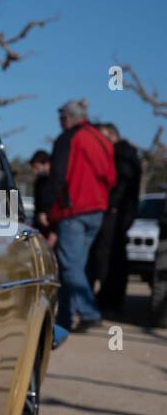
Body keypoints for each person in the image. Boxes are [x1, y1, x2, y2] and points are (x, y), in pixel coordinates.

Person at [40, 99, 115, 331]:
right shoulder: (102, 139)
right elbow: (111, 177)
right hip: (97, 210)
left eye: (61, 118)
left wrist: (46, 207)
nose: (60, 123)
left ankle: (89, 312)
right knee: (75, 266)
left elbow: (58, 176)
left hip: (74, 211)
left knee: (69, 265)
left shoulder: (69, 138)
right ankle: (64, 317)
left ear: (67, 118)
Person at [92, 122, 142, 314]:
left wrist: (112, 204)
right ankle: (112, 296)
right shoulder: (128, 152)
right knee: (116, 255)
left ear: (112, 136)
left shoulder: (122, 153)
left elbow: (123, 179)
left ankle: (108, 296)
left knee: (109, 254)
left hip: (117, 212)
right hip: (123, 212)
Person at [28, 150, 51, 234]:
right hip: (40, 225)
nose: (35, 171)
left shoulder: (56, 182)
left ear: (46, 164)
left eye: (36, 167)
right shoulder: (39, 182)